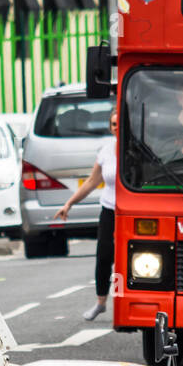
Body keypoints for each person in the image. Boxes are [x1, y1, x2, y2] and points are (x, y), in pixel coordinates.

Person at [53, 112, 118, 320]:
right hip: (109, 210)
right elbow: (91, 181)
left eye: (120, 123)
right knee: (104, 255)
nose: (117, 127)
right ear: (110, 127)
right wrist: (69, 204)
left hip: (133, 212)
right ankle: (101, 302)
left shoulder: (136, 148)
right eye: (113, 124)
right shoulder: (106, 151)